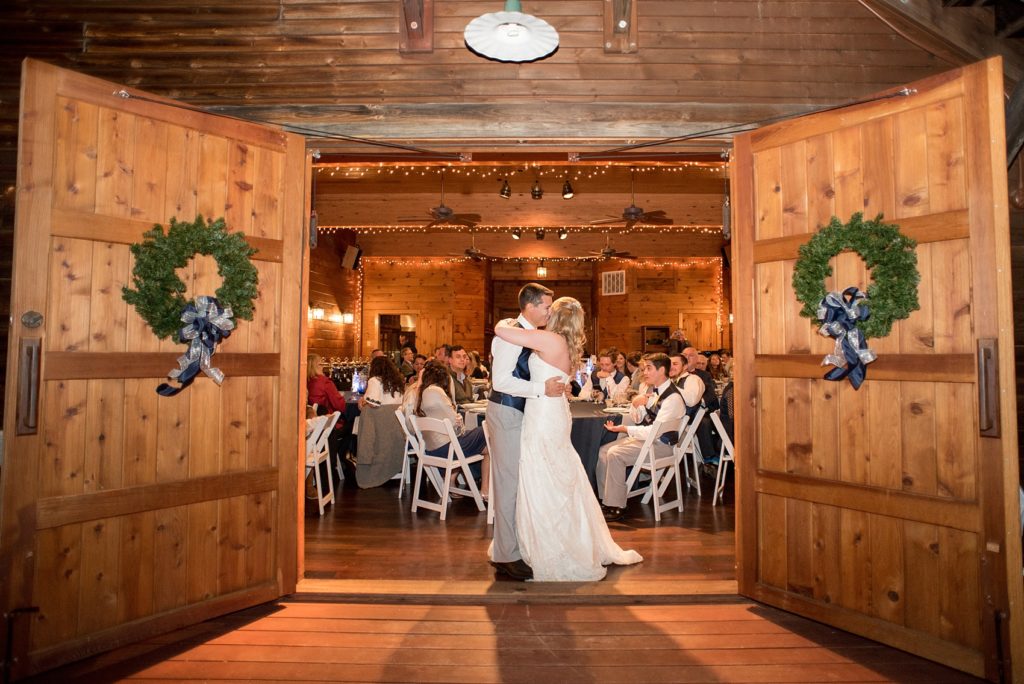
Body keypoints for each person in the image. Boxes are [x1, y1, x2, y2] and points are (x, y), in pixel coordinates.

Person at [494, 296, 643, 581]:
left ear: (557, 317)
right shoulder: (569, 346)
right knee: (556, 472)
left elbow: (502, 331)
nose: (546, 312)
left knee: (543, 472)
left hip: (544, 416)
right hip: (553, 412)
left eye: (551, 309)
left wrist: (507, 320)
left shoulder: (550, 340)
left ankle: (547, 544)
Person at [486, 283, 566, 581]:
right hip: (507, 411)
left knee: (517, 483)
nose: (549, 310)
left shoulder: (522, 333)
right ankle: (507, 556)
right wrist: (541, 388)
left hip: (519, 412)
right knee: (508, 485)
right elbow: (502, 381)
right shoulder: (510, 336)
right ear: (530, 306)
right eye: (546, 305)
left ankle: (508, 547)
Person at [596, 353, 686, 521]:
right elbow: (639, 420)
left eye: (649, 368)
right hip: (647, 441)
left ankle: (616, 507)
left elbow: (653, 432)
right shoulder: (648, 389)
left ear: (662, 370)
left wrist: (624, 428)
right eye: (644, 368)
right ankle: (606, 499)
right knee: (603, 451)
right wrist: (638, 405)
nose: (644, 372)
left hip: (661, 446)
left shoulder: (672, 398)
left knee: (615, 454)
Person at [415, 361, 488, 490]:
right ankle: (485, 489)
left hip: (431, 449)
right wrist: (459, 420)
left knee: (488, 445)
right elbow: (456, 425)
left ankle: (456, 480)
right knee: (487, 431)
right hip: (447, 449)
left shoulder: (422, 393)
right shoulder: (437, 392)